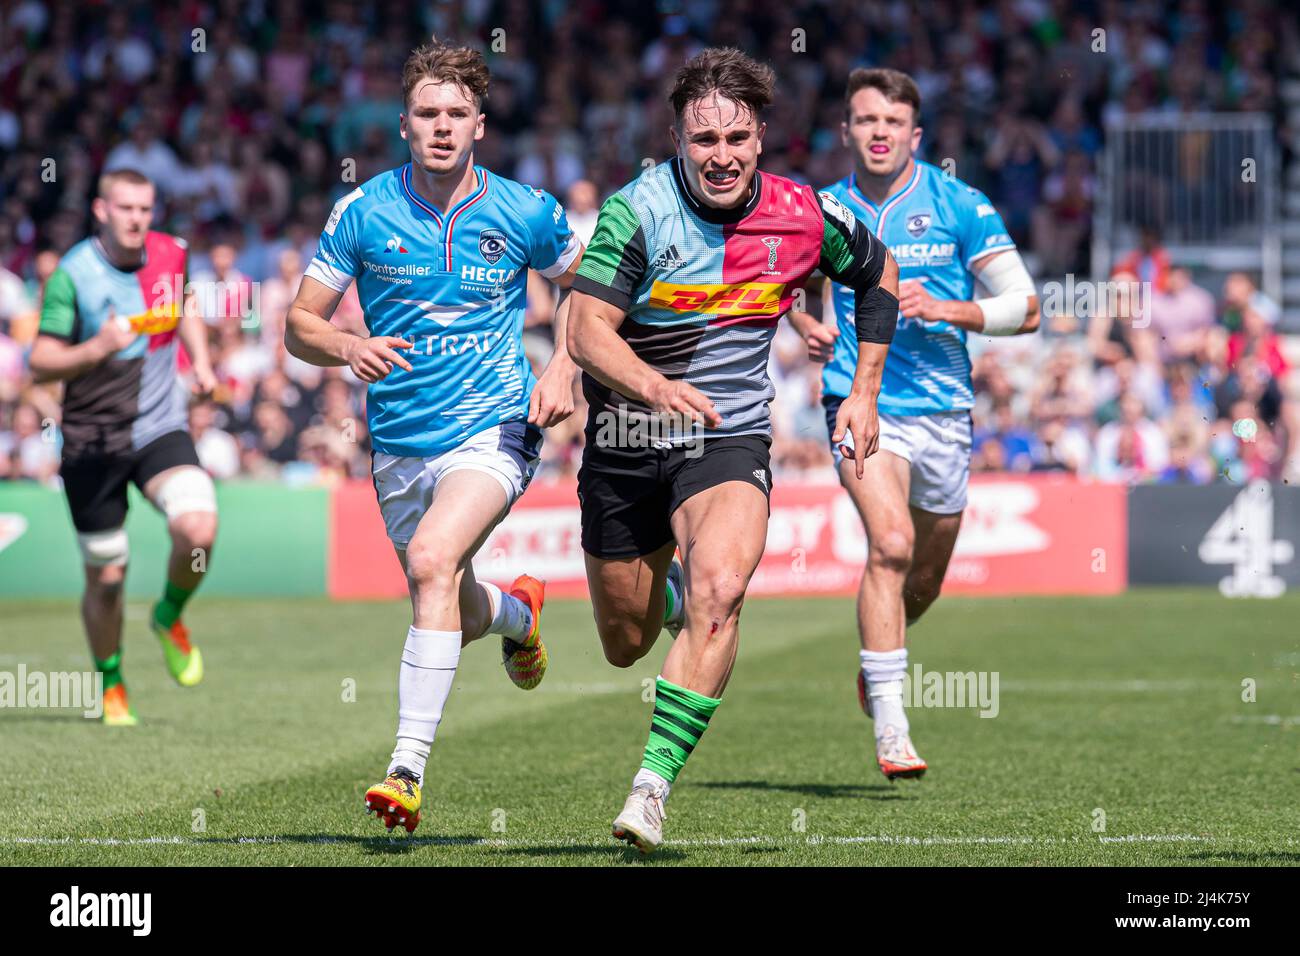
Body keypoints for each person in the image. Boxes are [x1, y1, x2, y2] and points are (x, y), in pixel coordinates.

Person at [567, 48, 898, 853]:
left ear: (760, 140)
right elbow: (583, 331)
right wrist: (651, 387)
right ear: (678, 138)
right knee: (624, 642)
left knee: (722, 589)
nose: (722, 155)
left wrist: (863, 390)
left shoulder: (803, 211)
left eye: (737, 139)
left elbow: (879, 270)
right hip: (624, 435)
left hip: (726, 434)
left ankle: (650, 790)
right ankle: (669, 600)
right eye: (704, 139)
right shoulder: (636, 212)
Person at [284, 41, 583, 835]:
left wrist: (563, 368)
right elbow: (297, 323)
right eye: (427, 114)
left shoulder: (525, 209)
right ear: (404, 126)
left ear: (480, 125)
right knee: (444, 592)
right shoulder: (362, 211)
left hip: (495, 427)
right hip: (399, 444)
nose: (443, 127)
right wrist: (346, 346)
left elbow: (587, 289)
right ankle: (518, 615)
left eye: (457, 114)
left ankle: (405, 770)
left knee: (429, 562)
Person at [789, 68, 1040, 781]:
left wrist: (950, 310)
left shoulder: (960, 204)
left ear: (915, 135)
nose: (879, 133)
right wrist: (810, 321)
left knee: (920, 580)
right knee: (890, 544)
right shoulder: (821, 209)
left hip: (944, 413)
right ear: (846, 131)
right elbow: (786, 289)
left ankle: (876, 661)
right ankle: (893, 731)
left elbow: (1026, 310)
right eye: (866, 120)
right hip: (859, 403)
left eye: (893, 123)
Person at [28, 168, 218, 726]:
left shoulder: (171, 253)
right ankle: (111, 680)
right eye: (126, 208)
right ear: (101, 211)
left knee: (198, 528)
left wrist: (201, 363)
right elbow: (40, 363)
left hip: (159, 428)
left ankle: (169, 615)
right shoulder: (72, 276)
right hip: (91, 441)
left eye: (145, 208)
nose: (138, 218)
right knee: (107, 576)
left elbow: (184, 305)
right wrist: (97, 347)